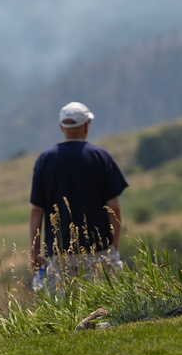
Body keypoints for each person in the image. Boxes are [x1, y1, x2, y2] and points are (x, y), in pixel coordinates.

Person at [29, 101, 128, 290]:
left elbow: (36, 211)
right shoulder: (100, 156)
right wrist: (114, 244)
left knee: (65, 308)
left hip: (59, 251)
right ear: (86, 126)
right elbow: (114, 206)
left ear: (61, 127)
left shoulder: (45, 159)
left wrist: (34, 252)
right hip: (98, 249)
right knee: (106, 303)